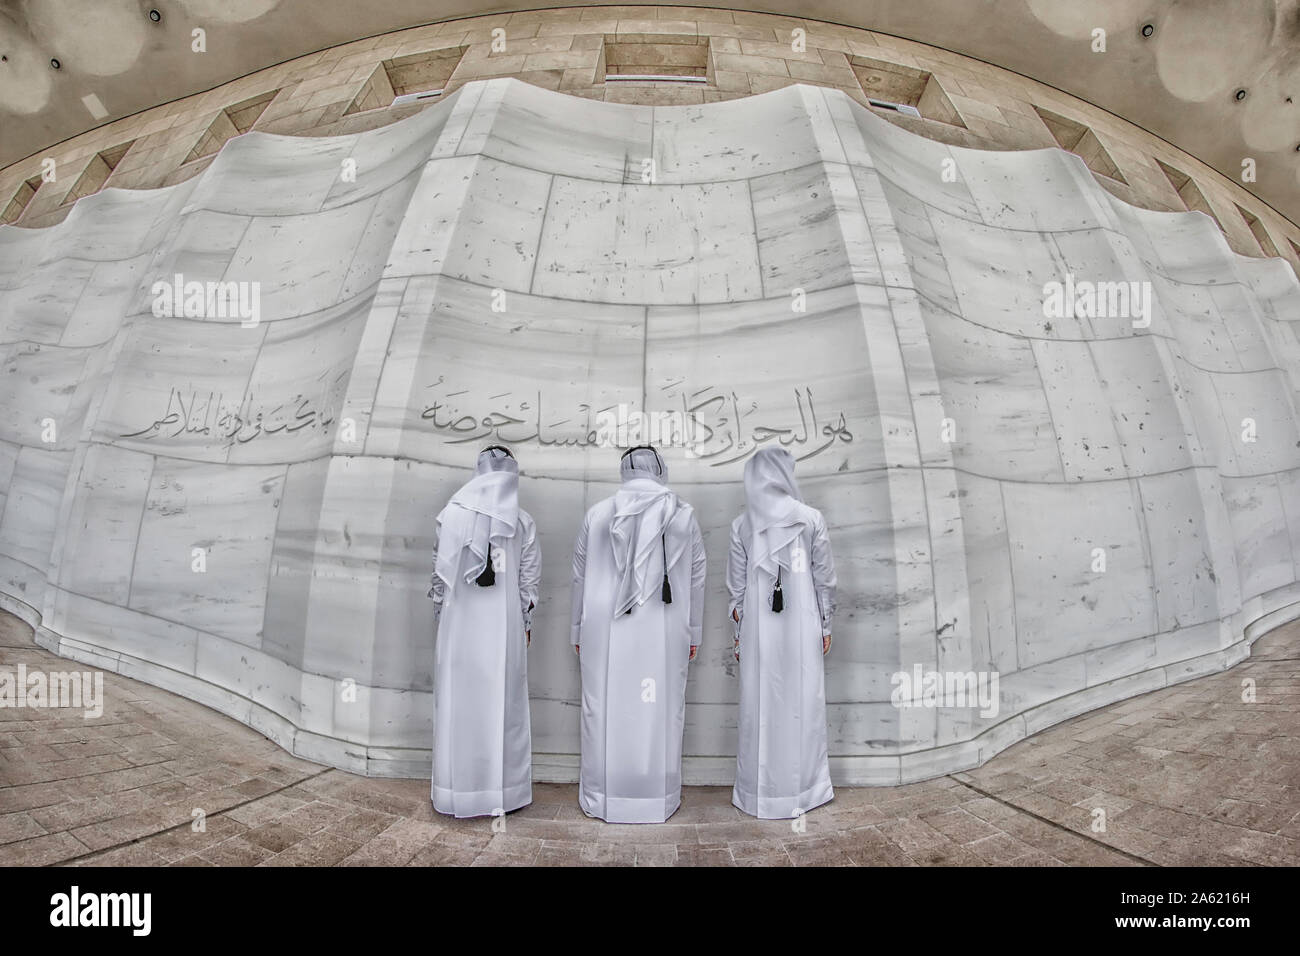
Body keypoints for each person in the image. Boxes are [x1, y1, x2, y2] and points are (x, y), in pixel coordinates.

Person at [570, 446, 706, 823]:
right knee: (660, 707)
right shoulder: (683, 513)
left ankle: (602, 796)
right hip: (664, 623)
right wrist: (693, 630)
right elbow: (697, 576)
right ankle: (655, 797)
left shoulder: (597, 513)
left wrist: (576, 627)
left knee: (602, 705)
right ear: (659, 469)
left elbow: (579, 575)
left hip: (601, 624)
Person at [427, 445, 540, 818]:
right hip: (503, 628)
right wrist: (525, 623)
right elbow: (528, 582)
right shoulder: (521, 521)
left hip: (457, 626)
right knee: (501, 703)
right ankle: (501, 793)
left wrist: (441, 619)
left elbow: (438, 578)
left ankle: (455, 791)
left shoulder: (450, 516)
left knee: (461, 703)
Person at [728, 446, 837, 819]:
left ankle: (758, 793)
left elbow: (736, 589)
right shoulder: (810, 518)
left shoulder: (742, 524)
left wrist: (739, 633)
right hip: (803, 624)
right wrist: (825, 624)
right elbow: (825, 581)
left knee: (762, 702)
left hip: (759, 629)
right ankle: (804, 791)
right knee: (801, 701)